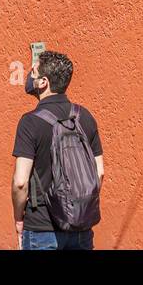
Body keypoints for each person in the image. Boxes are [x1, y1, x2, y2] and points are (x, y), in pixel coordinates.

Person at [11, 50, 104, 250]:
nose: (29, 76)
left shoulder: (30, 122)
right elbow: (100, 173)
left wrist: (19, 219)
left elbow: (20, 183)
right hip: (80, 229)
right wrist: (78, 208)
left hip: (42, 228)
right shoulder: (85, 117)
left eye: (33, 72)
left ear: (43, 82)